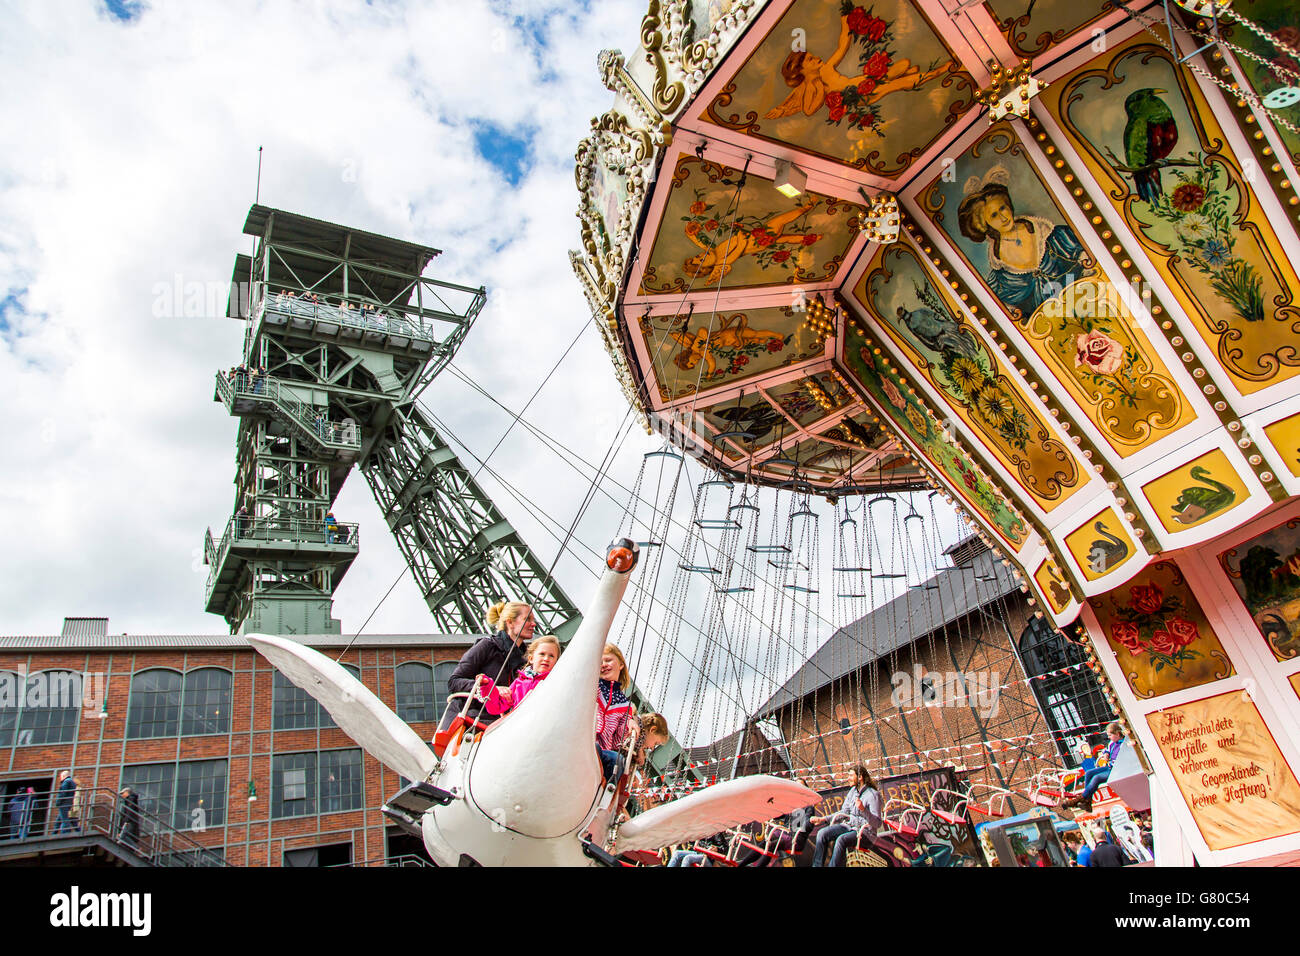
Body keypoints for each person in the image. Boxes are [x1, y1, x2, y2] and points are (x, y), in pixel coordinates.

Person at [956, 170, 1094, 321]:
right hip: (1049, 322)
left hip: (1086, 298)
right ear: (985, 223)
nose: (1003, 217)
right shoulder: (1000, 267)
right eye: (994, 215)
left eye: (1002, 208)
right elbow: (999, 302)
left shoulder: (1044, 232)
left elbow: (1082, 248)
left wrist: (1085, 261)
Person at [446, 601, 534, 723]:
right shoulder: (487, 646)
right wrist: (492, 689)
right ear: (510, 622)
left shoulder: (526, 660)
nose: (533, 624)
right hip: (473, 719)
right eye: (527, 619)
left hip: (505, 722)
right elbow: (454, 682)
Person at [810, 764, 881, 867]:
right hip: (849, 827)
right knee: (822, 833)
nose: (848, 778)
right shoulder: (852, 791)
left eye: (851, 776)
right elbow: (843, 812)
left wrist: (863, 810)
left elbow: (877, 823)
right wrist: (823, 819)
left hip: (866, 834)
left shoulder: (873, 795)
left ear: (860, 777)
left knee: (841, 839)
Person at [477, 633, 560, 717]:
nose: (546, 659)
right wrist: (487, 686)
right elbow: (496, 707)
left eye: (551, 656)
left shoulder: (555, 682)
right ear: (531, 659)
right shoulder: (519, 682)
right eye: (542, 654)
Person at [1064, 722, 1125, 812]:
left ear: (1117, 733)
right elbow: (1107, 751)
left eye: (1110, 735)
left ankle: (1080, 799)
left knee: (1096, 778)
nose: (1108, 737)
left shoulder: (1123, 744)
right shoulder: (1112, 743)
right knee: (1089, 773)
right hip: (1109, 767)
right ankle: (1087, 801)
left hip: (1117, 770)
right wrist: (1106, 754)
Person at [596, 644, 634, 781]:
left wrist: (628, 726)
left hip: (604, 749)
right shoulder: (593, 686)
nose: (604, 665)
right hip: (587, 739)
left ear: (621, 664)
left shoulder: (625, 705)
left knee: (617, 761)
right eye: (599, 663)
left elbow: (617, 740)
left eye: (608, 660)